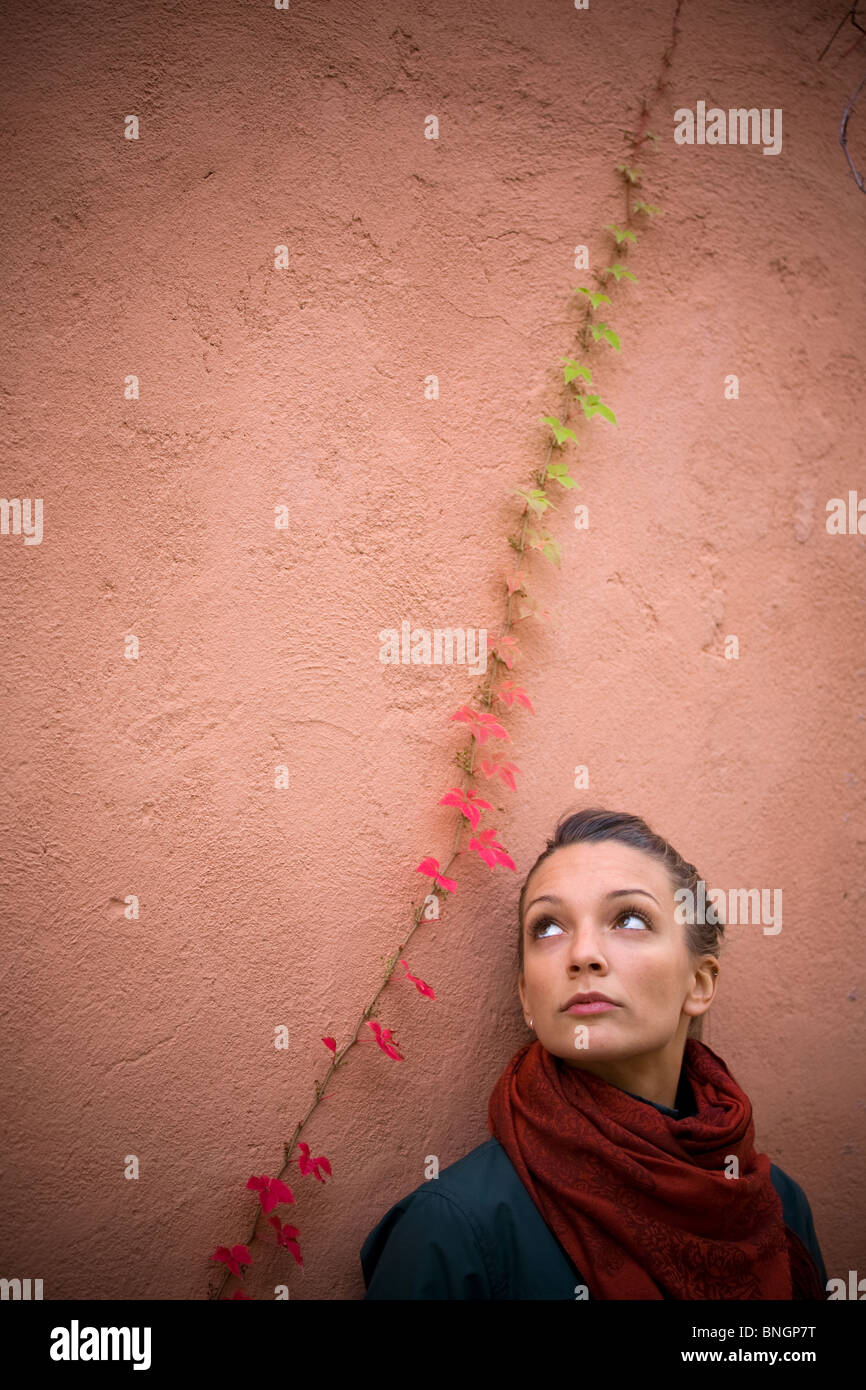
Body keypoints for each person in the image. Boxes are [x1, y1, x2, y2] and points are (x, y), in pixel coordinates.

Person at [360, 807, 828, 1299]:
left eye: (628, 918)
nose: (583, 954)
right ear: (526, 997)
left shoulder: (776, 1207)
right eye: (547, 928)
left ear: (699, 982)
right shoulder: (450, 1230)